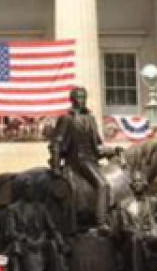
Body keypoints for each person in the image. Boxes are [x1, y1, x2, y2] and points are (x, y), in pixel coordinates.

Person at [50, 86, 121, 231]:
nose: (82, 100)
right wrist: (56, 167)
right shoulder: (66, 119)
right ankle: (101, 222)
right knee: (103, 185)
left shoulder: (91, 119)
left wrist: (113, 150)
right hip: (77, 161)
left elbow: (98, 146)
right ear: (72, 99)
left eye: (84, 97)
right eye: (79, 97)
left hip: (92, 160)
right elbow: (56, 142)